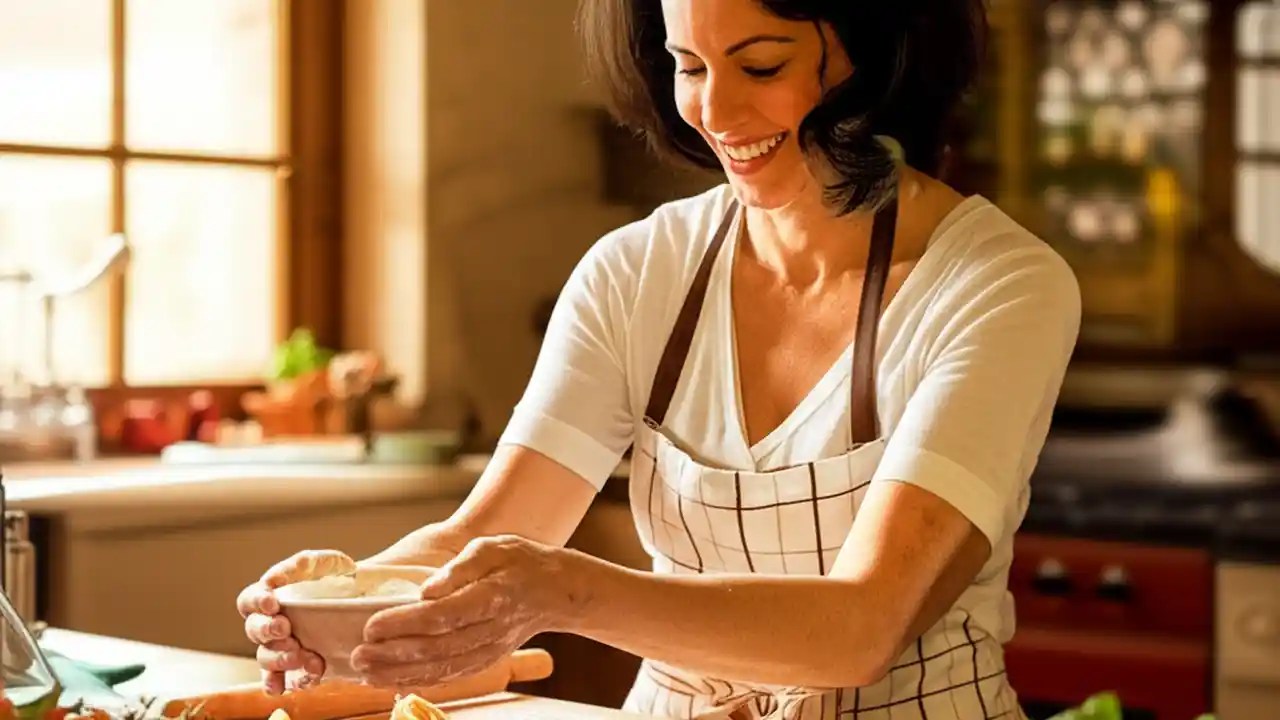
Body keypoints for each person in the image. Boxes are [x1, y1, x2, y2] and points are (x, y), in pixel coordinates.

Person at [237, 0, 1081, 717]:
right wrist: (343, 598)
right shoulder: (638, 272)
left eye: (758, 65)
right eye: (689, 65)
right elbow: (490, 538)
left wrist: (564, 591)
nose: (714, 111)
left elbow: (862, 627)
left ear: (876, 50)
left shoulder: (998, 285)